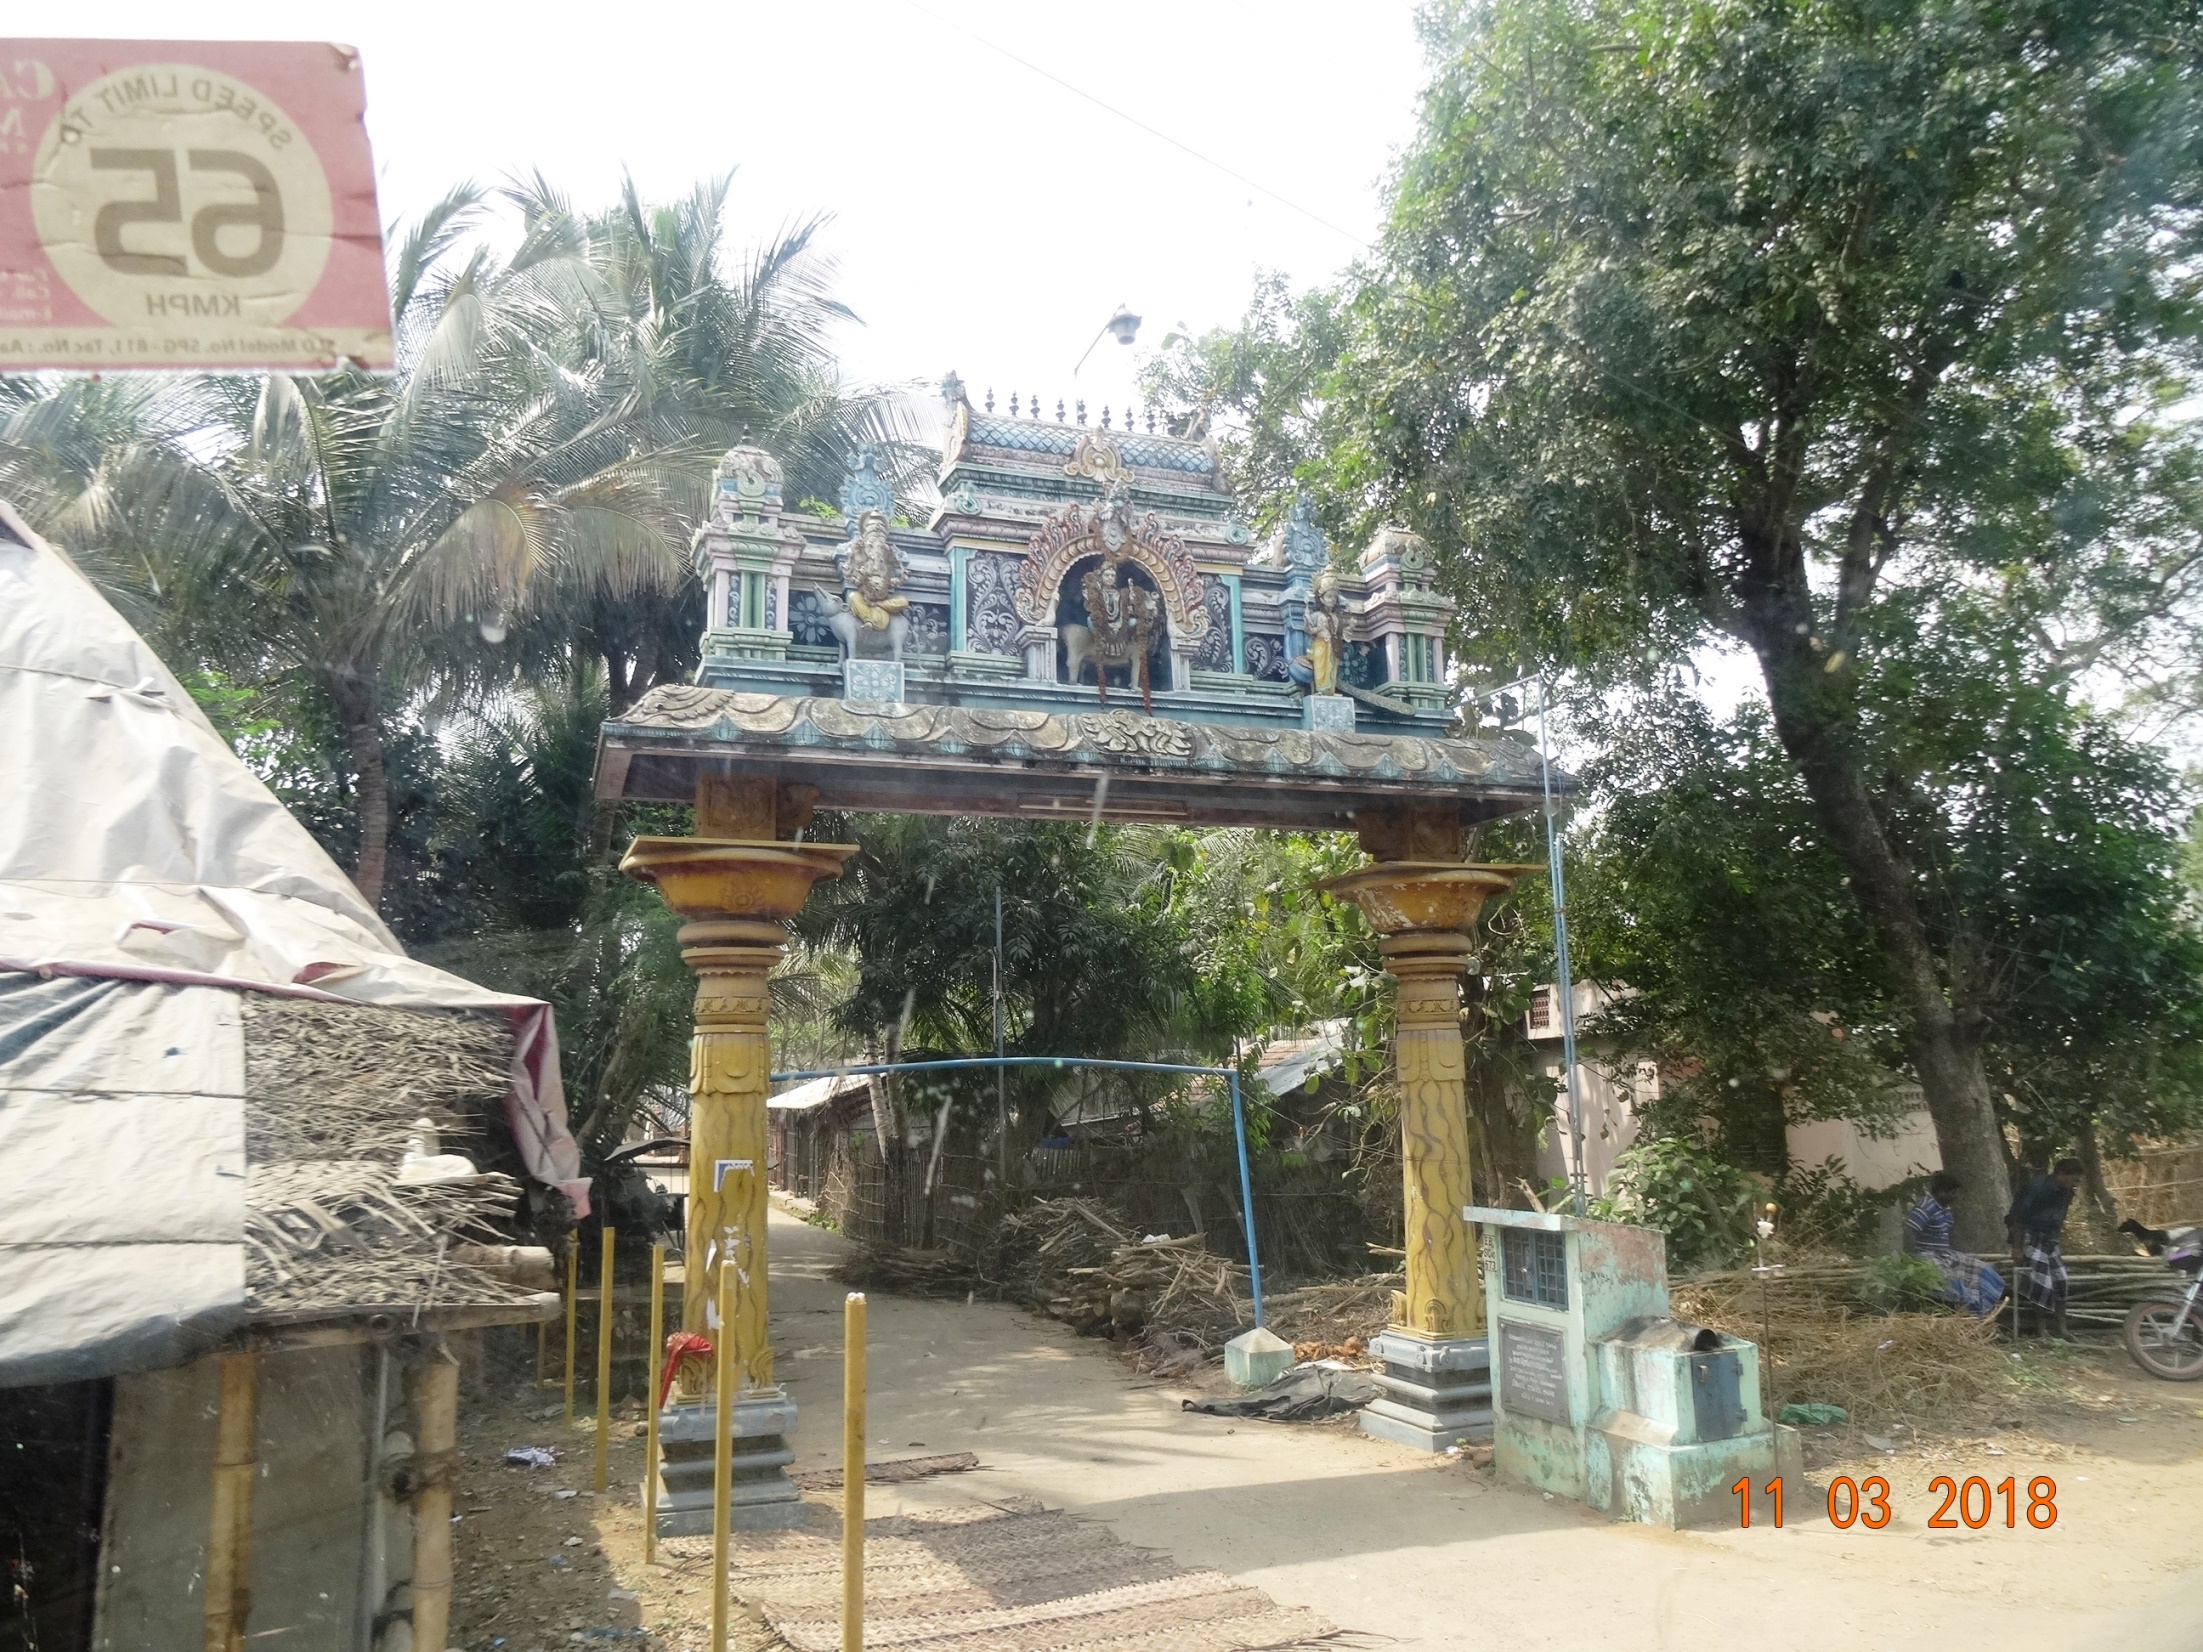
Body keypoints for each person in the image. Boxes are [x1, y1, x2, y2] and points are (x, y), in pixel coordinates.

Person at [1903, 1171, 2004, 1316]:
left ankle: (1981, 1310)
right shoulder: (1926, 1206)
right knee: (1953, 1282)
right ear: (1942, 1192)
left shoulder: (1945, 1208)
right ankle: (1968, 1313)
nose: (1956, 1196)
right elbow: (1909, 1231)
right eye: (1953, 1193)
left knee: (1983, 1270)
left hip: (1945, 1254)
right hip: (1925, 1255)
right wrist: (1909, 1259)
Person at [2006, 1157, 2083, 1338]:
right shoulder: (2036, 1187)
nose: (2076, 1183)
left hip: (2050, 1240)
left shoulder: (2067, 1192)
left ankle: (2061, 1328)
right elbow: (2018, 1218)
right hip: (2031, 1237)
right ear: (2061, 1174)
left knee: (2061, 1280)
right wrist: (2017, 1248)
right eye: (2074, 1179)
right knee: (2042, 1283)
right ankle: (2042, 1330)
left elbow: (2058, 1219)